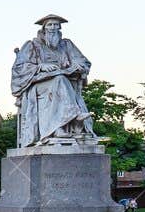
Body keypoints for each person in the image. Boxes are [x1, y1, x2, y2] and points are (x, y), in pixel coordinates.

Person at [10, 14, 98, 146]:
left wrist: (77, 65)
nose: (53, 28)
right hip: (38, 86)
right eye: (50, 25)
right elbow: (19, 68)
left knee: (60, 79)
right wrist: (40, 66)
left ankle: (61, 127)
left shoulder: (66, 45)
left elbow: (83, 61)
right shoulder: (32, 45)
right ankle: (72, 117)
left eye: (56, 25)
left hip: (64, 83)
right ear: (44, 28)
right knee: (59, 80)